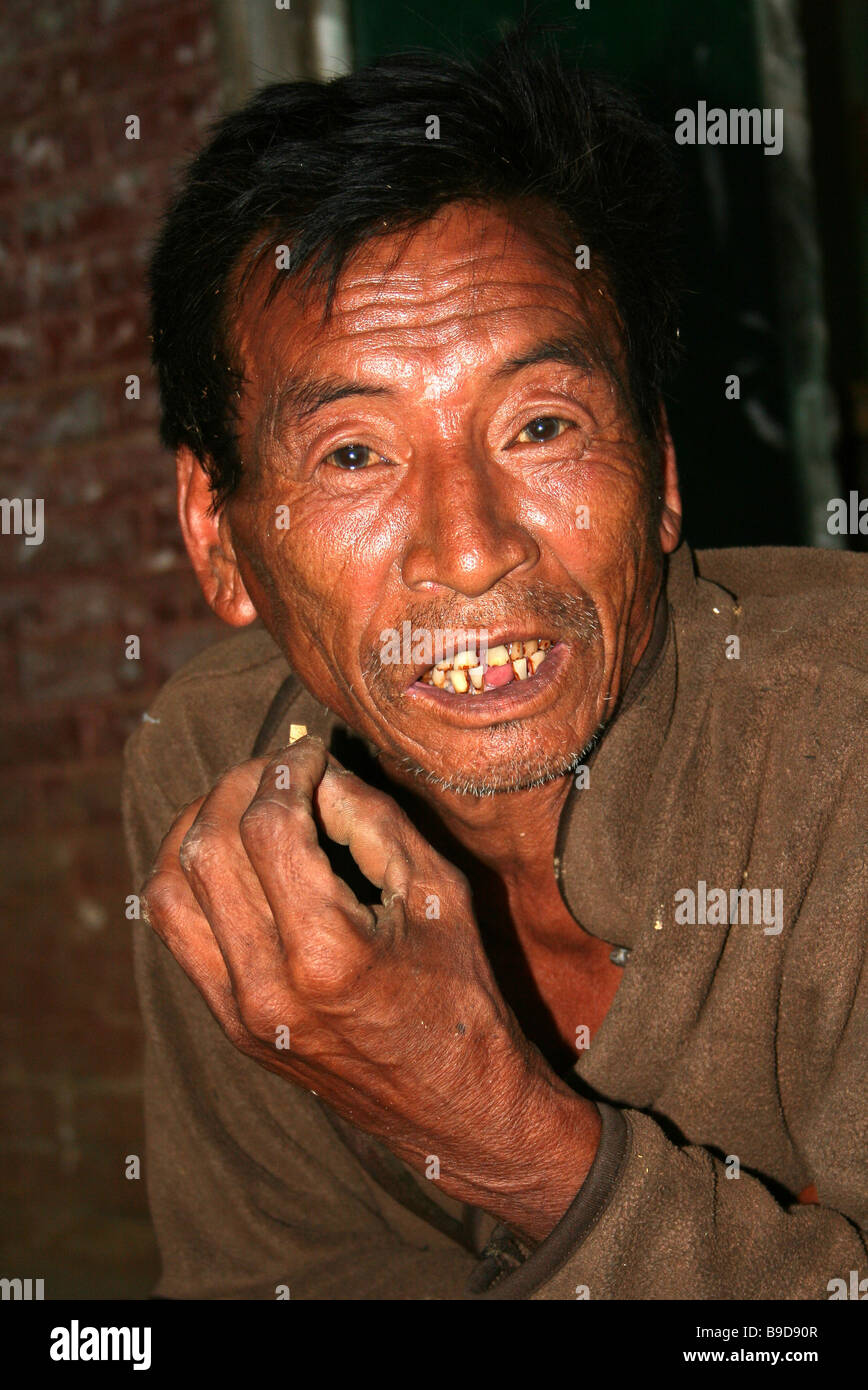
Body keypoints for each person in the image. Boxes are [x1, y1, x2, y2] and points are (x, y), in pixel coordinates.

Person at [123, 32, 867, 1299]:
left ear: (663, 474)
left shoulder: (840, 751)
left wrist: (510, 1139)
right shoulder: (218, 781)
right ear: (219, 536)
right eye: (354, 454)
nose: (469, 550)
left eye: (541, 426)